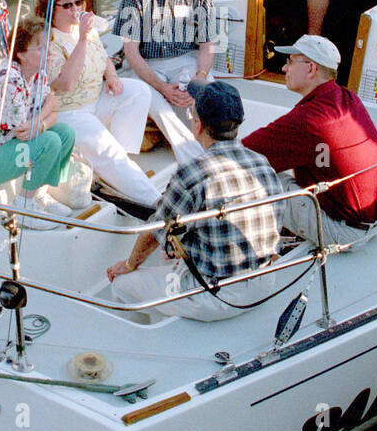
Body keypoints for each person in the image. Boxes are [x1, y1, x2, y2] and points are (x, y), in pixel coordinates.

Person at [106, 82, 283, 320]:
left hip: (217, 296)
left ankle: (149, 337)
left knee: (122, 284)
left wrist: (128, 265)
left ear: (198, 125)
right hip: (264, 282)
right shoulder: (261, 162)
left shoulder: (192, 173)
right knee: (167, 255)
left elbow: (153, 233)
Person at [242, 35, 377, 247]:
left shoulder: (310, 120)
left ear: (311, 69)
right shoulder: (348, 98)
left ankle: (260, 247)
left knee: (252, 176)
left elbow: (240, 156)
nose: (284, 69)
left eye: (290, 62)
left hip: (344, 232)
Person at [39, 0, 160, 210]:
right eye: (67, 4)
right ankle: (156, 199)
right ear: (51, 7)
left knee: (139, 92)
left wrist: (112, 76)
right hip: (69, 111)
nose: (75, 9)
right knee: (107, 150)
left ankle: (120, 166)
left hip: (95, 99)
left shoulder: (84, 29)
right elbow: (65, 83)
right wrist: (82, 39)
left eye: (79, 2)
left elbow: (103, 56)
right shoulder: (49, 40)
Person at [114, 0, 215, 163]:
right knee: (158, 104)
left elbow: (208, 44)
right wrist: (161, 86)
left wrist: (200, 77)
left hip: (185, 60)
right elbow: (131, 52)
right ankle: (193, 157)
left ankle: (214, 143)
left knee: (209, 94)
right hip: (145, 63)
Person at [0, 16, 75, 225]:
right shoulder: (9, 79)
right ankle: (23, 206)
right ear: (21, 54)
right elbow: (23, 131)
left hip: (15, 145)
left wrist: (43, 121)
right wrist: (47, 113)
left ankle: (38, 193)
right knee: (50, 142)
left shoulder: (38, 73)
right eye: (40, 48)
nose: (48, 52)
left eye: (48, 45)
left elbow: (55, 110)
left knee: (65, 133)